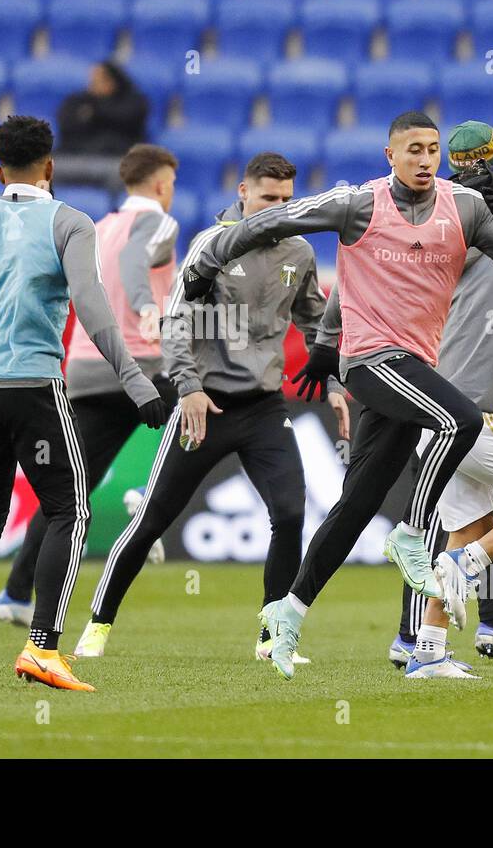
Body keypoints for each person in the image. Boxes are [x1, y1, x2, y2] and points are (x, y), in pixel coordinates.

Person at [185, 111, 493, 680]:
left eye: (432, 150)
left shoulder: (466, 207)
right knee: (462, 420)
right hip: (372, 360)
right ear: (390, 155)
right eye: (413, 150)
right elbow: (276, 221)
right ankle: (410, 535)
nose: (425, 159)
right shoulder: (358, 204)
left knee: (355, 505)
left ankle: (288, 613)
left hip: (411, 368)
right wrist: (208, 258)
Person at [0, 115, 168, 693]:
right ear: (50, 168)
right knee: (69, 511)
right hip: (31, 385)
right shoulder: (70, 222)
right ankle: (44, 648)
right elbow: (93, 308)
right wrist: (136, 380)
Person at [75, 151, 350, 664]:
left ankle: (272, 637)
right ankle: (98, 623)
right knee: (154, 518)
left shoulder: (298, 254)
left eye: (288, 201)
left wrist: (333, 378)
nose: (279, 210)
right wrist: (188, 387)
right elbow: (179, 322)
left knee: (290, 513)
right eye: (269, 199)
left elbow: (317, 323)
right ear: (243, 193)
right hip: (206, 404)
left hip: (265, 407)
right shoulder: (213, 246)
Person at [344, 122, 493, 678]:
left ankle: (426, 650)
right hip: (480, 413)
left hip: (427, 408)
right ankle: (463, 569)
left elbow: (357, 295)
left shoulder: (426, 229)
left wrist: (335, 356)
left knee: (467, 525)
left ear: (449, 164)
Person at [0, 143, 180, 627]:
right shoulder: (158, 222)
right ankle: (150, 501)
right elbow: (137, 266)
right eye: (172, 184)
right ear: (161, 185)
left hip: (86, 368)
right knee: (216, 409)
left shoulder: (98, 227)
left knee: (71, 492)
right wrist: (146, 309)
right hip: (142, 363)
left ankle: (14, 592)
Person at [54, 61, 150, 188]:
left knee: (127, 173)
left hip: (113, 160)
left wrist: (95, 113)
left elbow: (126, 120)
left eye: (102, 79)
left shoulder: (134, 102)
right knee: (43, 170)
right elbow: (66, 125)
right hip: (76, 157)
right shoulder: (77, 101)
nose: (94, 83)